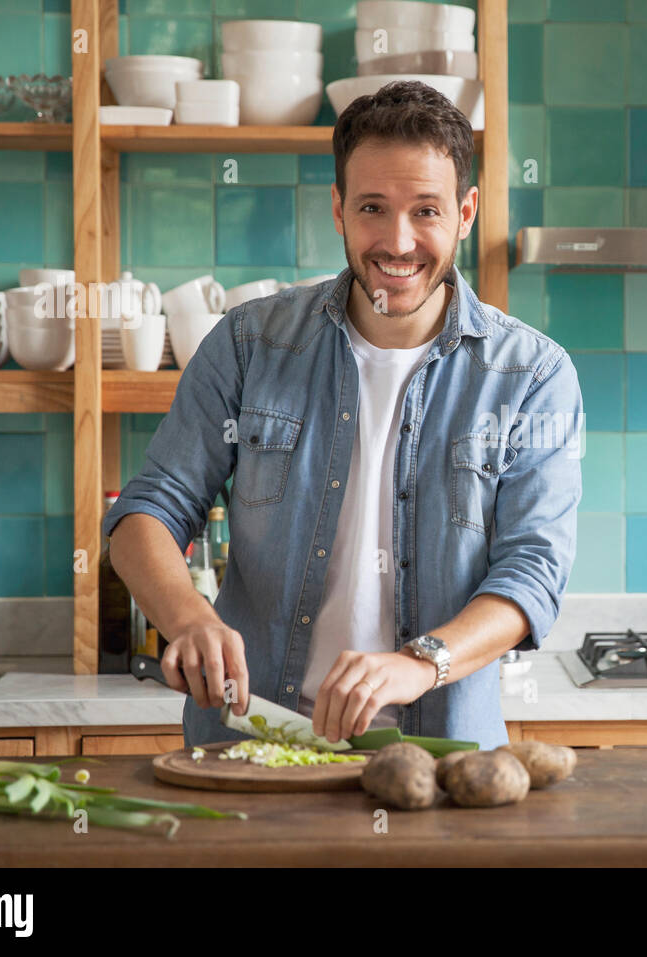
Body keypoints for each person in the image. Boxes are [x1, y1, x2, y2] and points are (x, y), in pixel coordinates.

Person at [103, 81, 582, 750]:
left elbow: (532, 571)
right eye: (372, 208)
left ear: (466, 212)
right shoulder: (248, 345)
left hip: (435, 763)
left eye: (426, 211)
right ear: (337, 208)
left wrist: (421, 662)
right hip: (251, 744)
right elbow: (145, 512)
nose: (398, 240)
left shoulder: (532, 376)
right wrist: (188, 620)